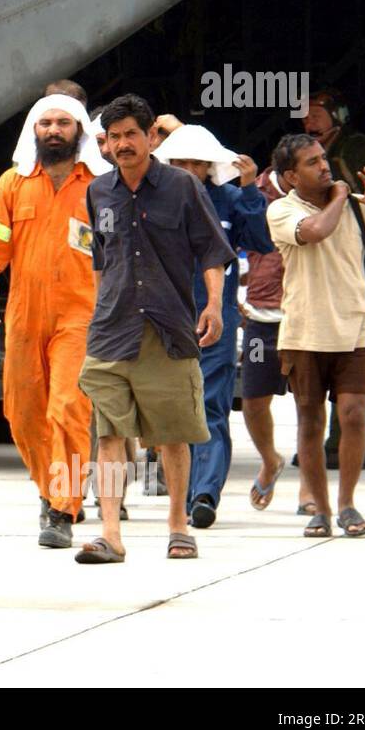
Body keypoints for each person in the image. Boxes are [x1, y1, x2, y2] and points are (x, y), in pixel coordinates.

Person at [74, 94, 235, 564]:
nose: (123, 144)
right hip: (110, 330)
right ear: (106, 144)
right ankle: (110, 534)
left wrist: (214, 306)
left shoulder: (183, 187)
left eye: (131, 135)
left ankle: (178, 526)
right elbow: (100, 256)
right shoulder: (98, 192)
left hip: (167, 327)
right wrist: (98, 306)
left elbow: (210, 249)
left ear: (150, 138)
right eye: (114, 136)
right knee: (107, 434)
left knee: (172, 433)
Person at [0, 94, 108, 548]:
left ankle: (61, 509)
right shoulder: (12, 184)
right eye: (45, 122)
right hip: (25, 316)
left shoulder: (101, 186)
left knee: (67, 407)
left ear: (79, 131)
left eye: (63, 123)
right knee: (23, 413)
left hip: (81, 315)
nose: (53, 130)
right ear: (34, 131)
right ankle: (53, 491)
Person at [266, 134, 365, 539]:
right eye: (312, 162)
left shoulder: (352, 208)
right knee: (310, 422)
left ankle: (348, 503)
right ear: (291, 175)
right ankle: (322, 509)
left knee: (352, 414)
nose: (324, 166)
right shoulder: (283, 209)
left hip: (354, 329)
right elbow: (314, 231)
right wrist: (339, 196)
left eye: (322, 158)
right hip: (304, 333)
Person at [155, 125, 274, 527]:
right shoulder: (150, 200)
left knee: (211, 407)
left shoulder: (230, 199)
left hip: (215, 324)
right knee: (172, 413)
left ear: (210, 166)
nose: (189, 169)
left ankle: (205, 494)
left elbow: (260, 241)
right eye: (181, 162)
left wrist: (251, 190)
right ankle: (183, 492)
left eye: (197, 163)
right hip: (164, 322)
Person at [303, 89, 365, 469]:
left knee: (362, 355)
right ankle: (337, 440)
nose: (309, 120)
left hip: (357, 261)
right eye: (304, 114)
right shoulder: (304, 149)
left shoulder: (357, 147)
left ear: (336, 114)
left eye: (316, 113)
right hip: (325, 257)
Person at [239, 165, 290, 511]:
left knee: (310, 402)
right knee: (254, 399)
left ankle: (310, 495)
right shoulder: (251, 196)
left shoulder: (323, 197)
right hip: (259, 318)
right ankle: (270, 458)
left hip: (303, 320)